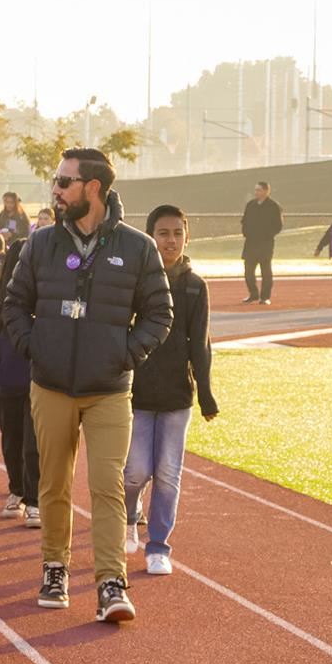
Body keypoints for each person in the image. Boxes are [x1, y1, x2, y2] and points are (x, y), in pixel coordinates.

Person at [1, 147, 172, 623]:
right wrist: (37, 348)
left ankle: (111, 582)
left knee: (107, 486)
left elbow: (160, 313)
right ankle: (54, 568)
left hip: (109, 389)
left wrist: (124, 354)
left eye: (64, 182)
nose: (55, 190)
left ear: (92, 188)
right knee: (53, 484)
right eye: (56, 181)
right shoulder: (40, 244)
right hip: (51, 385)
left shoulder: (138, 247)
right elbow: (13, 304)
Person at [122, 205, 217, 578]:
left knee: (167, 473)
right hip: (138, 395)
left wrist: (206, 394)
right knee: (135, 471)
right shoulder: (136, 282)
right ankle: (129, 515)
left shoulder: (195, 286)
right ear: (151, 238)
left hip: (177, 397)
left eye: (178, 233)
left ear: (187, 237)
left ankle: (158, 546)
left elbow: (201, 345)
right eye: (163, 233)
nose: (171, 241)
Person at [0, 238, 40, 527]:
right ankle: (16, 490)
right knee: (11, 440)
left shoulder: (44, 294)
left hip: (38, 381)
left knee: (33, 444)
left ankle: (34, 500)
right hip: (7, 380)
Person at [239, 181, 284, 304]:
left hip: (265, 244)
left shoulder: (273, 206)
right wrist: (246, 233)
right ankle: (253, 294)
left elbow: (278, 225)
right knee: (248, 271)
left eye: (259, 190)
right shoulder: (251, 205)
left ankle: (265, 297)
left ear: (266, 191)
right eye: (256, 190)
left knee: (266, 271)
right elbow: (244, 221)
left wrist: (267, 235)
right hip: (251, 243)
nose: (256, 192)